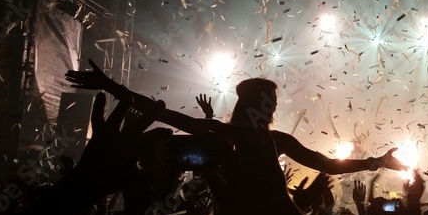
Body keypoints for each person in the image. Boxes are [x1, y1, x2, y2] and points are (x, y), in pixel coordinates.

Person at [65, 59, 408, 175]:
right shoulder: (232, 134)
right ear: (254, 104)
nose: (274, 106)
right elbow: (162, 111)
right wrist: (110, 85)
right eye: (269, 100)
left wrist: (375, 161)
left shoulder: (274, 140)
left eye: (274, 101)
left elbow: (327, 164)